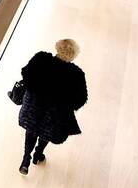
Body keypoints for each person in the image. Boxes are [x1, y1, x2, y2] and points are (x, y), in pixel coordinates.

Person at [17, 38, 87, 175]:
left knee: (31, 130)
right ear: (73, 55)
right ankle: (38, 154)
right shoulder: (76, 75)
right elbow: (81, 99)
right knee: (45, 132)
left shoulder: (41, 59)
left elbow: (25, 73)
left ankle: (26, 160)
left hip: (33, 106)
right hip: (54, 113)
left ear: (58, 47)